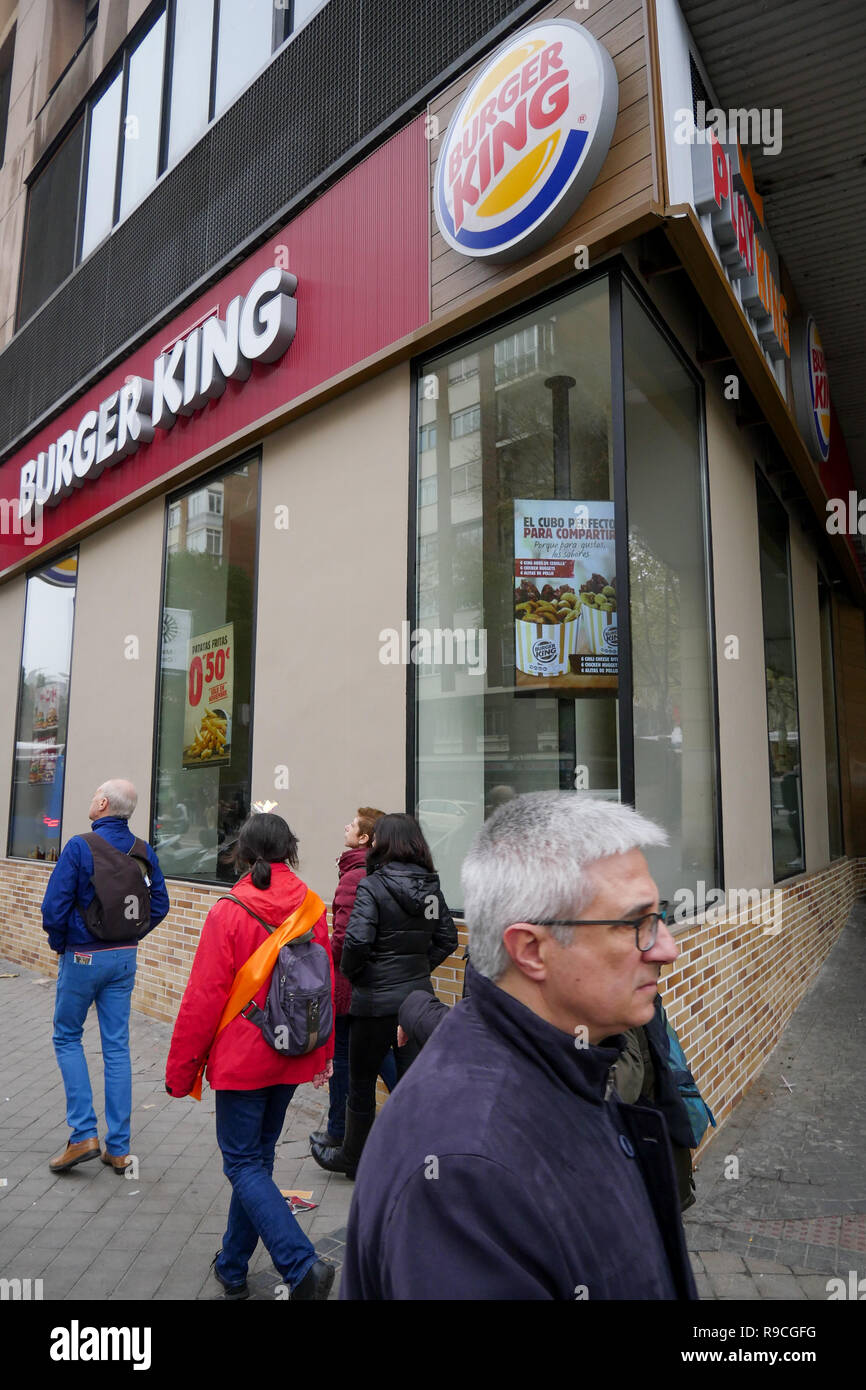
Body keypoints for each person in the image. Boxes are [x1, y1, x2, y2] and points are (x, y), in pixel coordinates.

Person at [341, 791, 697, 1301]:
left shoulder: (578, 1063)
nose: (666, 947)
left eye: (658, 916)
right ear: (531, 949)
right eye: (633, 924)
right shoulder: (462, 1177)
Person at [165, 812, 336, 1300]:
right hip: (292, 1054)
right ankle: (234, 1267)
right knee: (256, 1159)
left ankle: (301, 1265)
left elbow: (204, 997)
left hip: (244, 1060)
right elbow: (325, 988)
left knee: (241, 1163)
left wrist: (181, 1070)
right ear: (290, 851)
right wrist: (321, 1054)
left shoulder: (229, 910)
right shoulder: (311, 906)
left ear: (241, 851)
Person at [311, 812, 458, 1179]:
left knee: (360, 1085)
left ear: (384, 843)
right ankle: (420, 1161)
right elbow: (447, 939)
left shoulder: (372, 887)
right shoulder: (430, 888)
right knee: (413, 1087)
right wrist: (415, 972)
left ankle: (353, 1159)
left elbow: (355, 943)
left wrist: (360, 975)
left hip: (374, 1004)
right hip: (416, 1002)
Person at [42, 779, 170, 1174]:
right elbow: (161, 904)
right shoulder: (142, 851)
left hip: (83, 956)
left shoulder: (80, 846)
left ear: (102, 802)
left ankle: (83, 1134)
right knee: (116, 1047)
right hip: (124, 957)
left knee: (67, 1037)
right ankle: (117, 1148)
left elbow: (54, 907)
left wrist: (63, 943)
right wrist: (129, 935)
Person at [309, 807, 397, 1150]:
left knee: (344, 1057)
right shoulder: (381, 871)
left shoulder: (354, 875)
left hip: (350, 984)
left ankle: (340, 1131)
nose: (345, 825)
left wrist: (325, 959)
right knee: (380, 1054)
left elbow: (345, 938)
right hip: (378, 984)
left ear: (364, 838)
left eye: (353, 824)